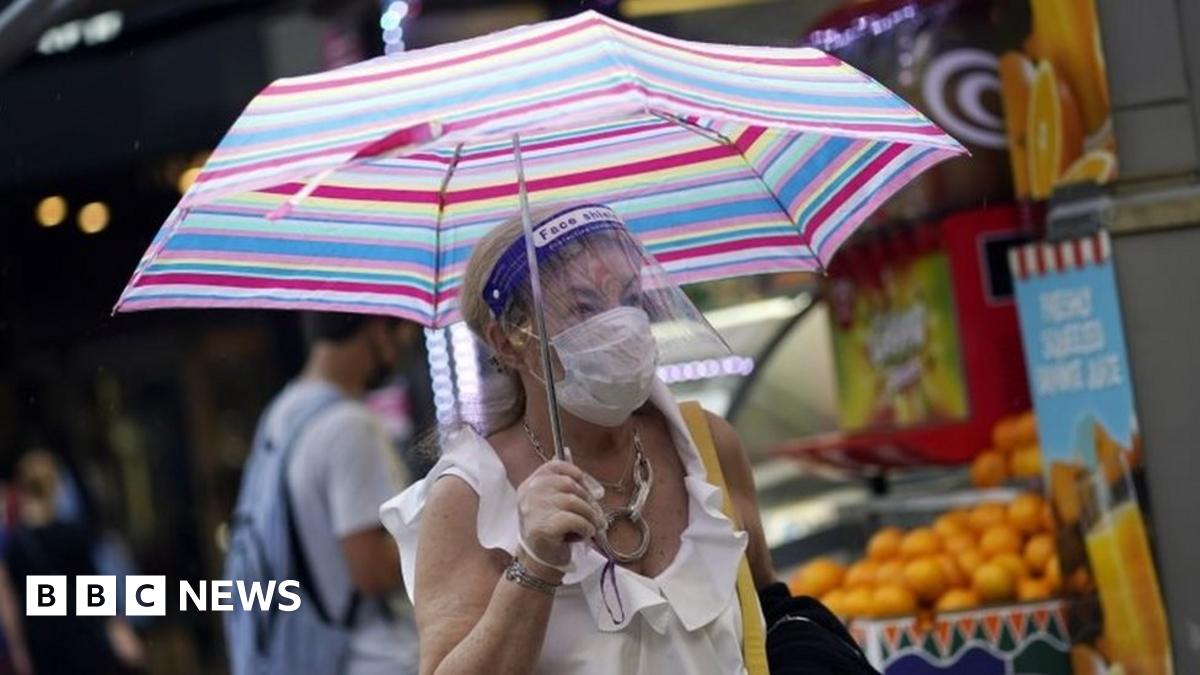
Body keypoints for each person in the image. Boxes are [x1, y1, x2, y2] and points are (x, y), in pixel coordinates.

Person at [380, 203, 778, 674]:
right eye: (584, 307)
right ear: (509, 340)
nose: (622, 325)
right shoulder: (469, 497)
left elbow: (767, 610)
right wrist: (535, 564)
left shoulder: (705, 444)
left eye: (630, 298)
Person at [229, 313, 422, 675]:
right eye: (402, 336)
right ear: (378, 330)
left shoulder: (282, 413)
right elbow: (370, 571)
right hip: (374, 659)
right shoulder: (351, 426)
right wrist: (434, 531)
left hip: (306, 653)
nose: (400, 352)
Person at [0, 450, 145, 675]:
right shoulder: (72, 536)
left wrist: (19, 651)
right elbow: (94, 590)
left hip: (43, 643)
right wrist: (117, 627)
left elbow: (10, 603)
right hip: (80, 638)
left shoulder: (15, 546)